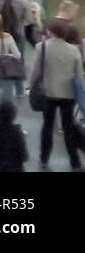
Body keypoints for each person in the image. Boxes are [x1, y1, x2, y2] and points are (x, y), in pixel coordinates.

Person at [30, 17, 84, 171]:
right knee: (68, 128)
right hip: (68, 94)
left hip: (49, 92)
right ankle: (75, 162)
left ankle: (44, 160)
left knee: (47, 126)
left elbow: (36, 71)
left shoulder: (42, 47)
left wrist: (32, 83)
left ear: (50, 31)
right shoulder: (73, 50)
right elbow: (80, 75)